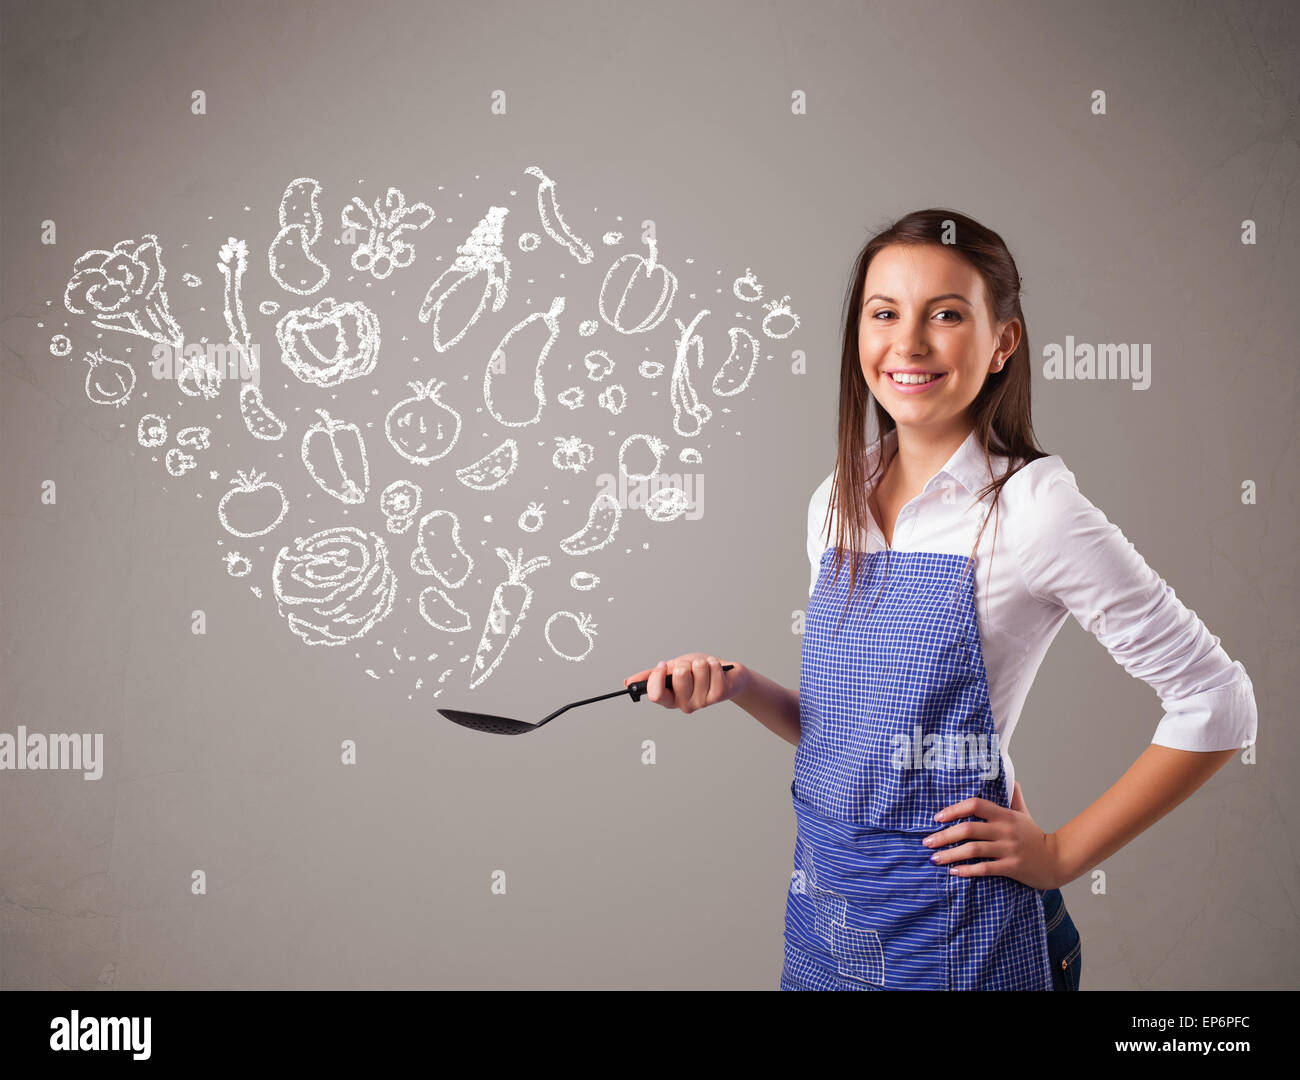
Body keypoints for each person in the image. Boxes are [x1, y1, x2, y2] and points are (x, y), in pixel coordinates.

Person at [623, 208, 1258, 991]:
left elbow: (1217, 700)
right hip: (831, 920)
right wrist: (739, 687)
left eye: (946, 315)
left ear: (1003, 343)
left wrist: (1060, 853)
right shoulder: (835, 500)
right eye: (884, 313)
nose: (909, 343)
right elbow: (859, 744)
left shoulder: (1034, 510)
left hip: (965, 938)